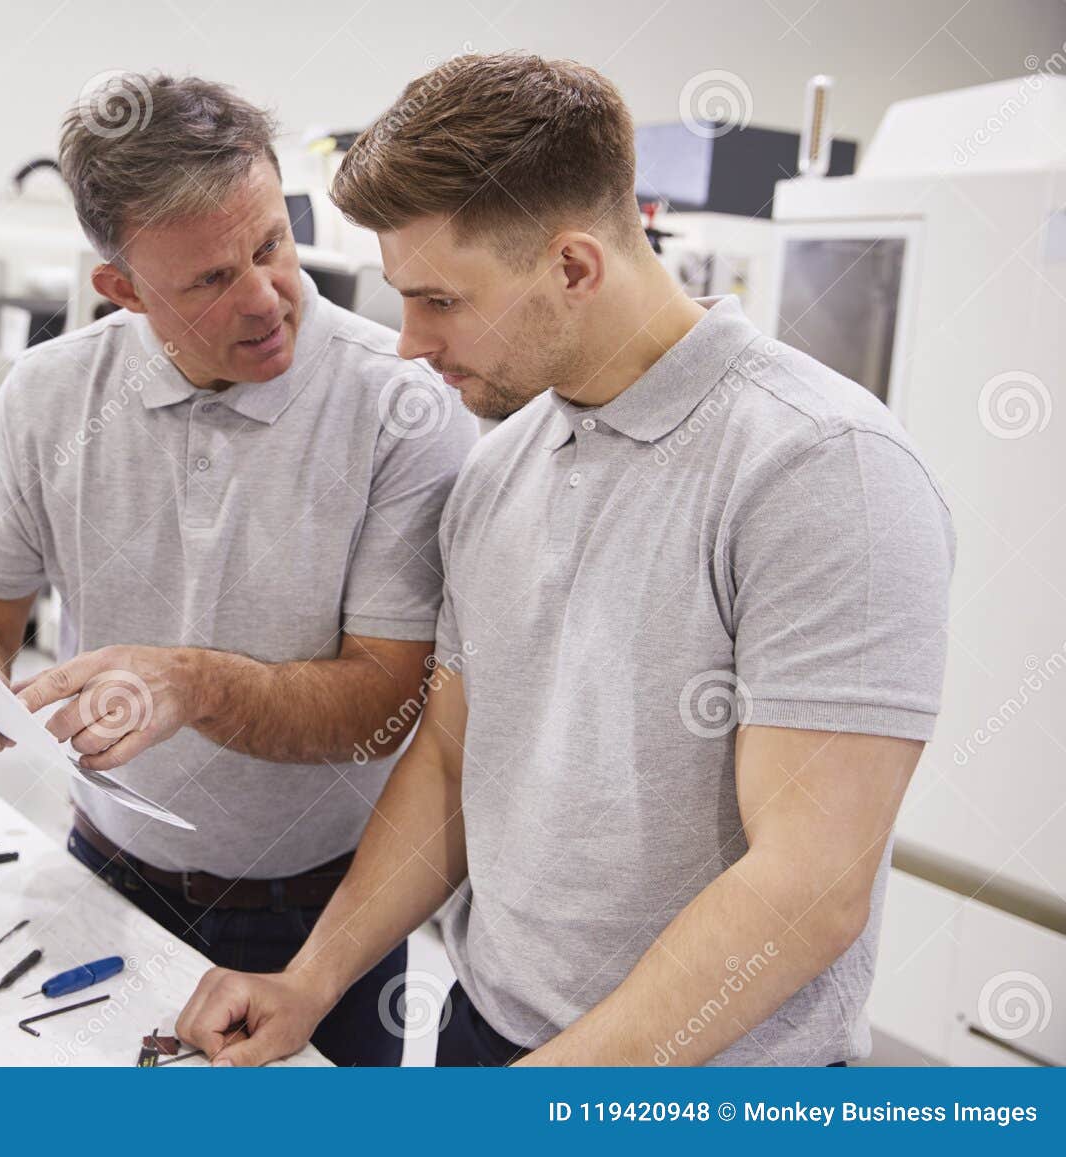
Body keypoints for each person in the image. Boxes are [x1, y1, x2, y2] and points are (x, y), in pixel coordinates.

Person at [175, 53, 955, 1067]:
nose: (409, 344)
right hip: (489, 1029)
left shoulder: (821, 468)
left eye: (441, 301)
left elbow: (809, 885)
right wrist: (312, 977)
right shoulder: (500, 468)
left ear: (574, 267)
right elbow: (452, 758)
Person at [0, 75, 479, 1066]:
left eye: (270, 246)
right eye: (211, 280)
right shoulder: (51, 396)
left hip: (318, 917)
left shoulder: (404, 407)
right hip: (103, 873)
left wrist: (190, 684)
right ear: (122, 289)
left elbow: (387, 704)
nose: (265, 298)